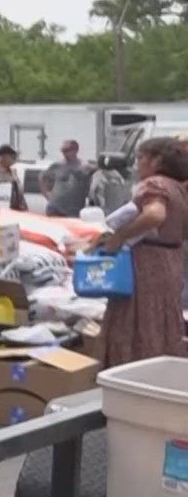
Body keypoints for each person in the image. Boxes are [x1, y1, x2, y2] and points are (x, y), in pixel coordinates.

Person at [91, 136, 188, 367]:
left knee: (134, 320)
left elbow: (155, 215)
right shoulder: (179, 189)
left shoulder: (154, 184)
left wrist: (120, 236)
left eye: (140, 158)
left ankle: (130, 373)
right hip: (171, 261)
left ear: (157, 160)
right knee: (162, 320)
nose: (137, 164)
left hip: (145, 264)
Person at [42, 139, 95, 217]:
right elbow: (42, 177)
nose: (64, 153)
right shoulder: (57, 166)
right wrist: (47, 194)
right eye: (62, 150)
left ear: (76, 150)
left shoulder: (85, 167)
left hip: (74, 210)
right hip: (55, 208)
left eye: (67, 150)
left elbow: (98, 177)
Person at [0, 144, 29, 211]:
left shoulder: (12, 171)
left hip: (13, 210)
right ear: (4, 157)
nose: (14, 159)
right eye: (12, 156)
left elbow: (19, 194)